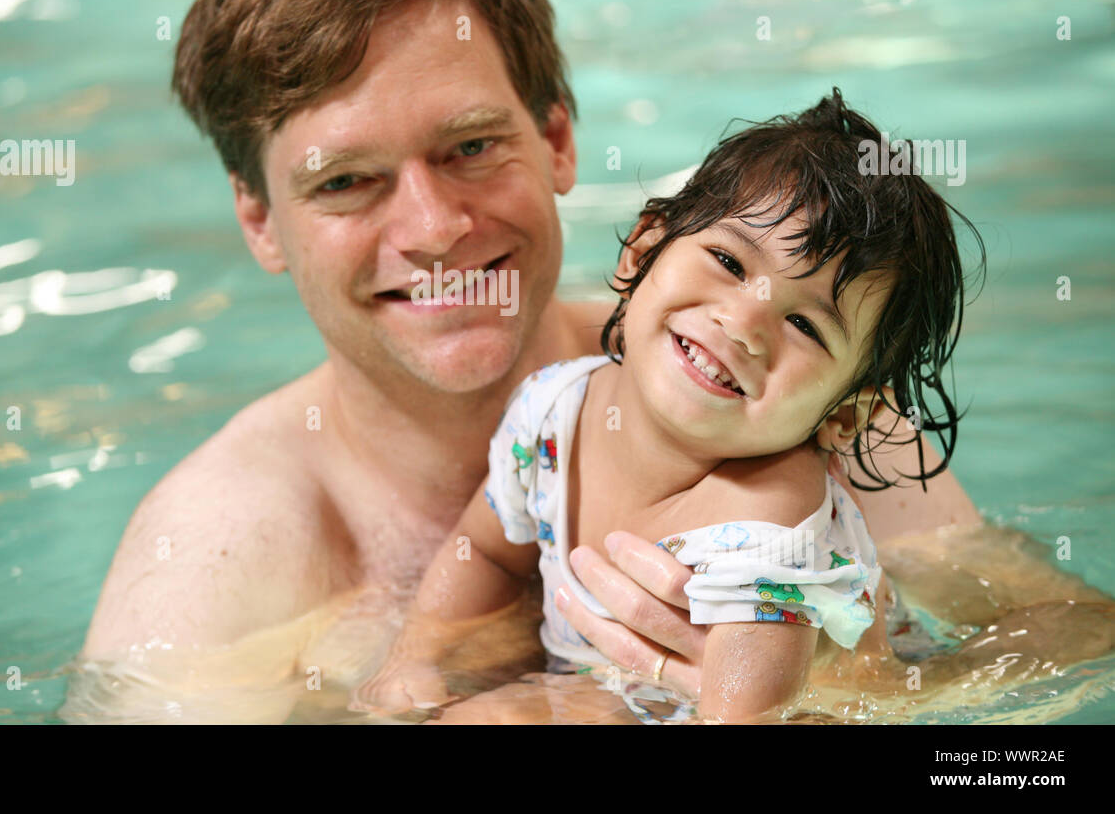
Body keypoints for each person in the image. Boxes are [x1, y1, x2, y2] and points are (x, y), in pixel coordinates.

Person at [77, 0, 981, 716]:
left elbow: (1061, 680)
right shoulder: (216, 569)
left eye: (470, 147)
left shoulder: (794, 402)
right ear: (260, 221)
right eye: (347, 180)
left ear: (555, 139)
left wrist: (860, 690)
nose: (433, 229)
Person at [353, 90, 982, 723]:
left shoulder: (769, 529)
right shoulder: (551, 415)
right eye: (729, 261)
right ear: (643, 249)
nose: (742, 324)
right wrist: (418, 656)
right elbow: (486, 551)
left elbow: (741, 721)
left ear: (844, 416)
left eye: (805, 325)